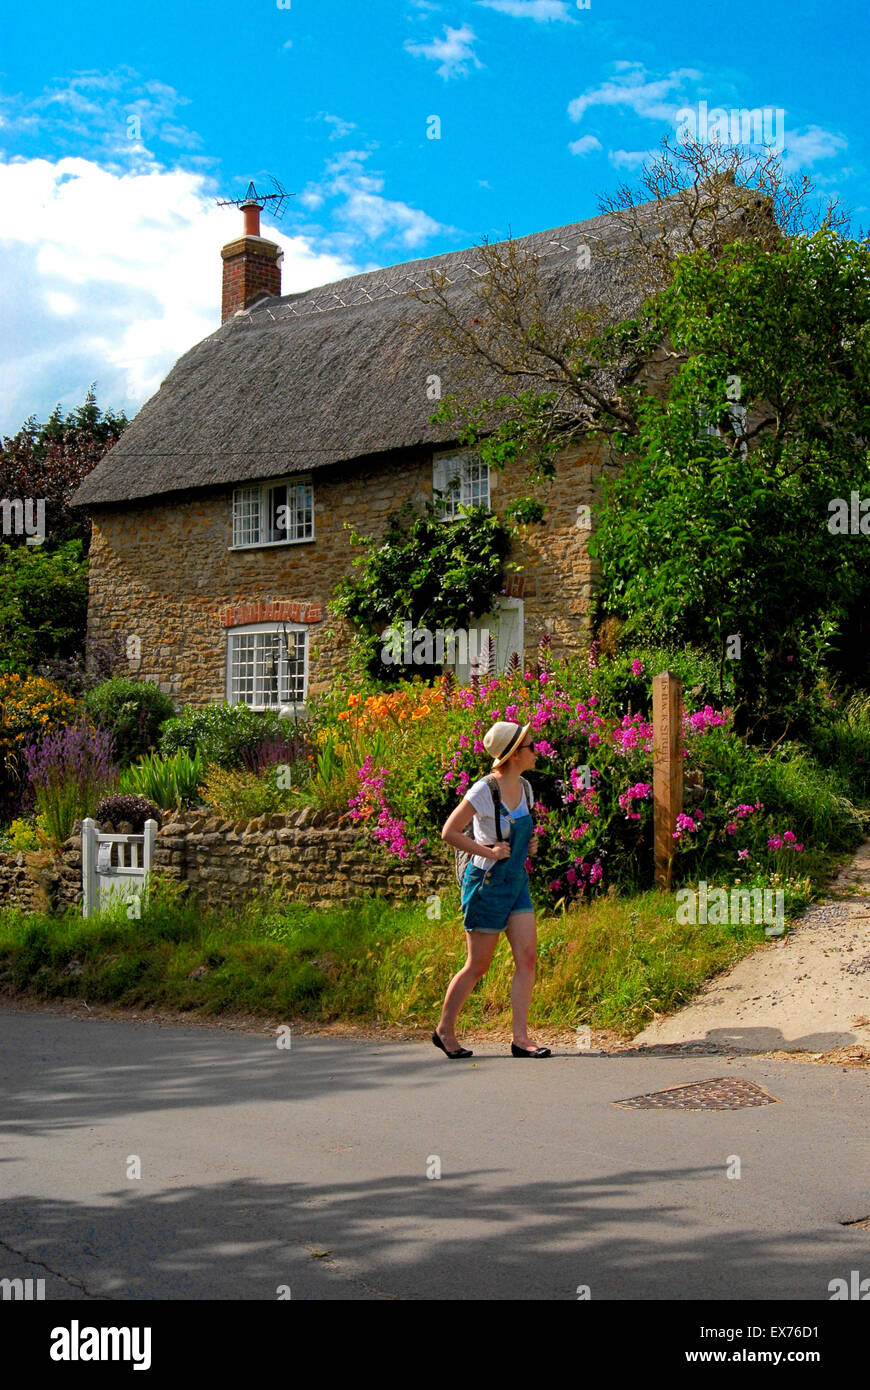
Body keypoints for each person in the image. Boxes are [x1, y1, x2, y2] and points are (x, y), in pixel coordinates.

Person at [433, 720, 551, 1060]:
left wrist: (528, 845)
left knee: (527, 958)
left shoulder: (526, 788)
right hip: (485, 884)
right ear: (514, 754)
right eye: (530, 745)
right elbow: (449, 832)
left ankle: (521, 1038)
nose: (535, 749)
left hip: (516, 883)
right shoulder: (484, 790)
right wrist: (489, 851)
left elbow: (519, 834)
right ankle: (445, 1031)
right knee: (478, 965)